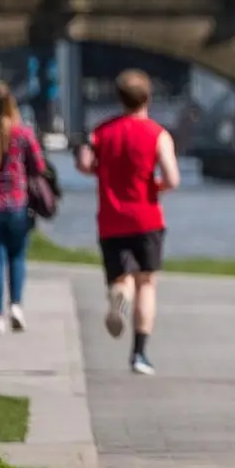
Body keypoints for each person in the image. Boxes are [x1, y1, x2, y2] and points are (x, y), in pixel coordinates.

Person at [75, 70, 180, 375]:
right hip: (147, 217)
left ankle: (118, 297)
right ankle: (139, 354)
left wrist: (100, 171)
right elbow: (172, 179)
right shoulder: (157, 134)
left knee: (121, 278)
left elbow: (84, 163)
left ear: (119, 98)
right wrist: (155, 186)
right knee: (146, 282)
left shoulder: (102, 132)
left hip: (111, 219)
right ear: (148, 97)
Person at [0, 83, 46, 334]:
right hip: (17, 204)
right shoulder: (22, 133)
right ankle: (16, 306)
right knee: (17, 256)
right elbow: (39, 167)